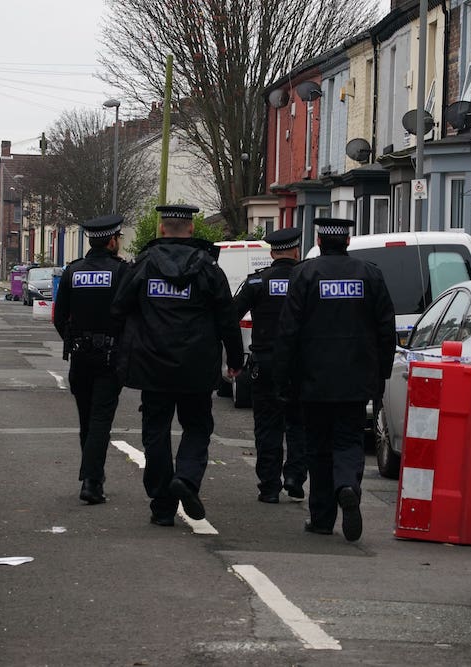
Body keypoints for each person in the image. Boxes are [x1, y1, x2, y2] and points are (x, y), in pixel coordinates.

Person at [111, 203, 244, 526]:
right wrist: (236, 360)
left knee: (155, 430)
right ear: (192, 230)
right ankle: (185, 477)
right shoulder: (209, 269)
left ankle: (162, 505)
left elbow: (118, 310)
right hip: (196, 365)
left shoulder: (143, 266)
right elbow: (228, 318)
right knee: (197, 426)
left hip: (152, 364)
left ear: (161, 229)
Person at [273, 218, 395, 542]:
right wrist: (381, 373)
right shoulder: (370, 275)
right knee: (349, 440)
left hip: (313, 381)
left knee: (317, 448)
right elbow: (386, 328)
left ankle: (323, 518)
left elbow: (288, 332)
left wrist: (281, 376)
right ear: (348, 240)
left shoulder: (304, 274)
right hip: (355, 379)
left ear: (319, 239)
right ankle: (347, 485)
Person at [53, 214, 128, 505]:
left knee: (87, 420)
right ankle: (92, 481)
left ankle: (92, 476)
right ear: (111, 241)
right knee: (100, 420)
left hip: (80, 357)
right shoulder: (121, 272)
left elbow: (59, 317)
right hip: (110, 358)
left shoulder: (74, 271)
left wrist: (73, 341)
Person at [232, 227, 307, 504]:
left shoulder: (257, 282)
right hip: (300, 365)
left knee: (267, 426)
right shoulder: (307, 280)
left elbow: (231, 315)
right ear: (296, 251)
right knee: (298, 423)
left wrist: (232, 357)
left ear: (273, 252)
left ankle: (269, 486)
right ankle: (295, 477)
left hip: (265, 363)